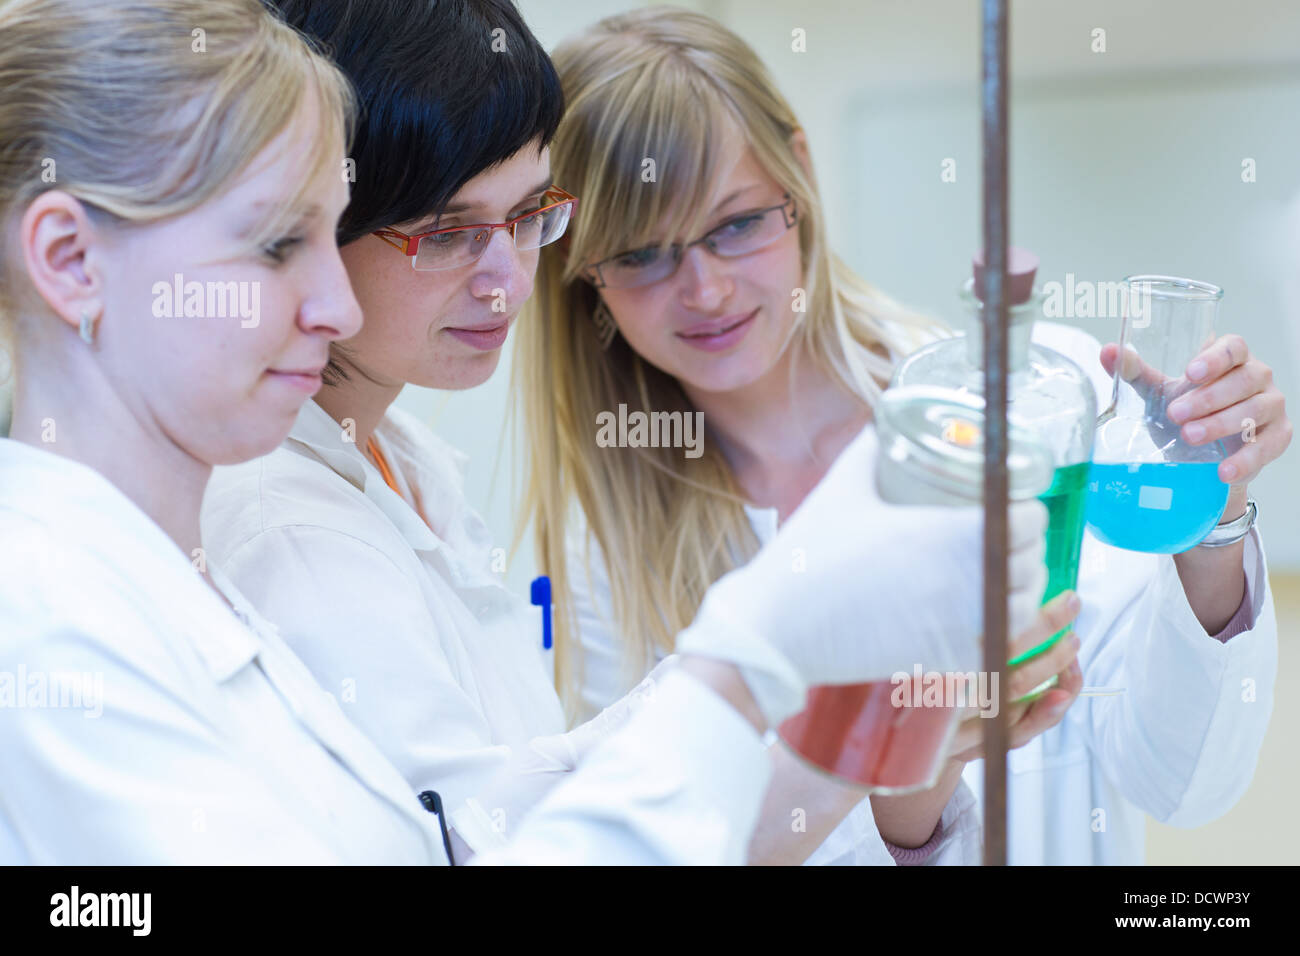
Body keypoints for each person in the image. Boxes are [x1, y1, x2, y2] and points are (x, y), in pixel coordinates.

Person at [0, 0, 1045, 867]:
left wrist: (833, 705)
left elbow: (517, 803)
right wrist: (770, 640)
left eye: (530, 216)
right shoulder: (62, 616)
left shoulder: (222, 548)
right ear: (71, 260)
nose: (332, 301)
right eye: (280, 243)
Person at [518, 6, 1286, 866]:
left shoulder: (1039, 409)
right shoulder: (603, 557)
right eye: (640, 254)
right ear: (582, 272)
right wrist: (900, 799)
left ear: (796, 178)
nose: (704, 290)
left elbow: (1183, 781)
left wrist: (1214, 514)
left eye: (735, 225)